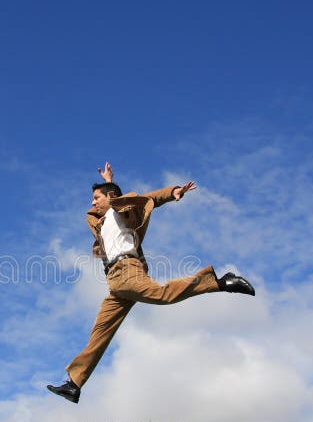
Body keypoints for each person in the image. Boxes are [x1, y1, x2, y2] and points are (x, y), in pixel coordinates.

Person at [47, 162, 255, 404]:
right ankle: (74, 384)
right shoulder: (102, 222)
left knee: (162, 294)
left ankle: (218, 282)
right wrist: (107, 179)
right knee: (101, 332)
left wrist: (172, 192)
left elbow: (149, 199)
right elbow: (102, 205)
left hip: (128, 271)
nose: (92, 202)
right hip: (115, 281)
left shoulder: (120, 211)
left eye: (96, 197)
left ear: (111, 197)